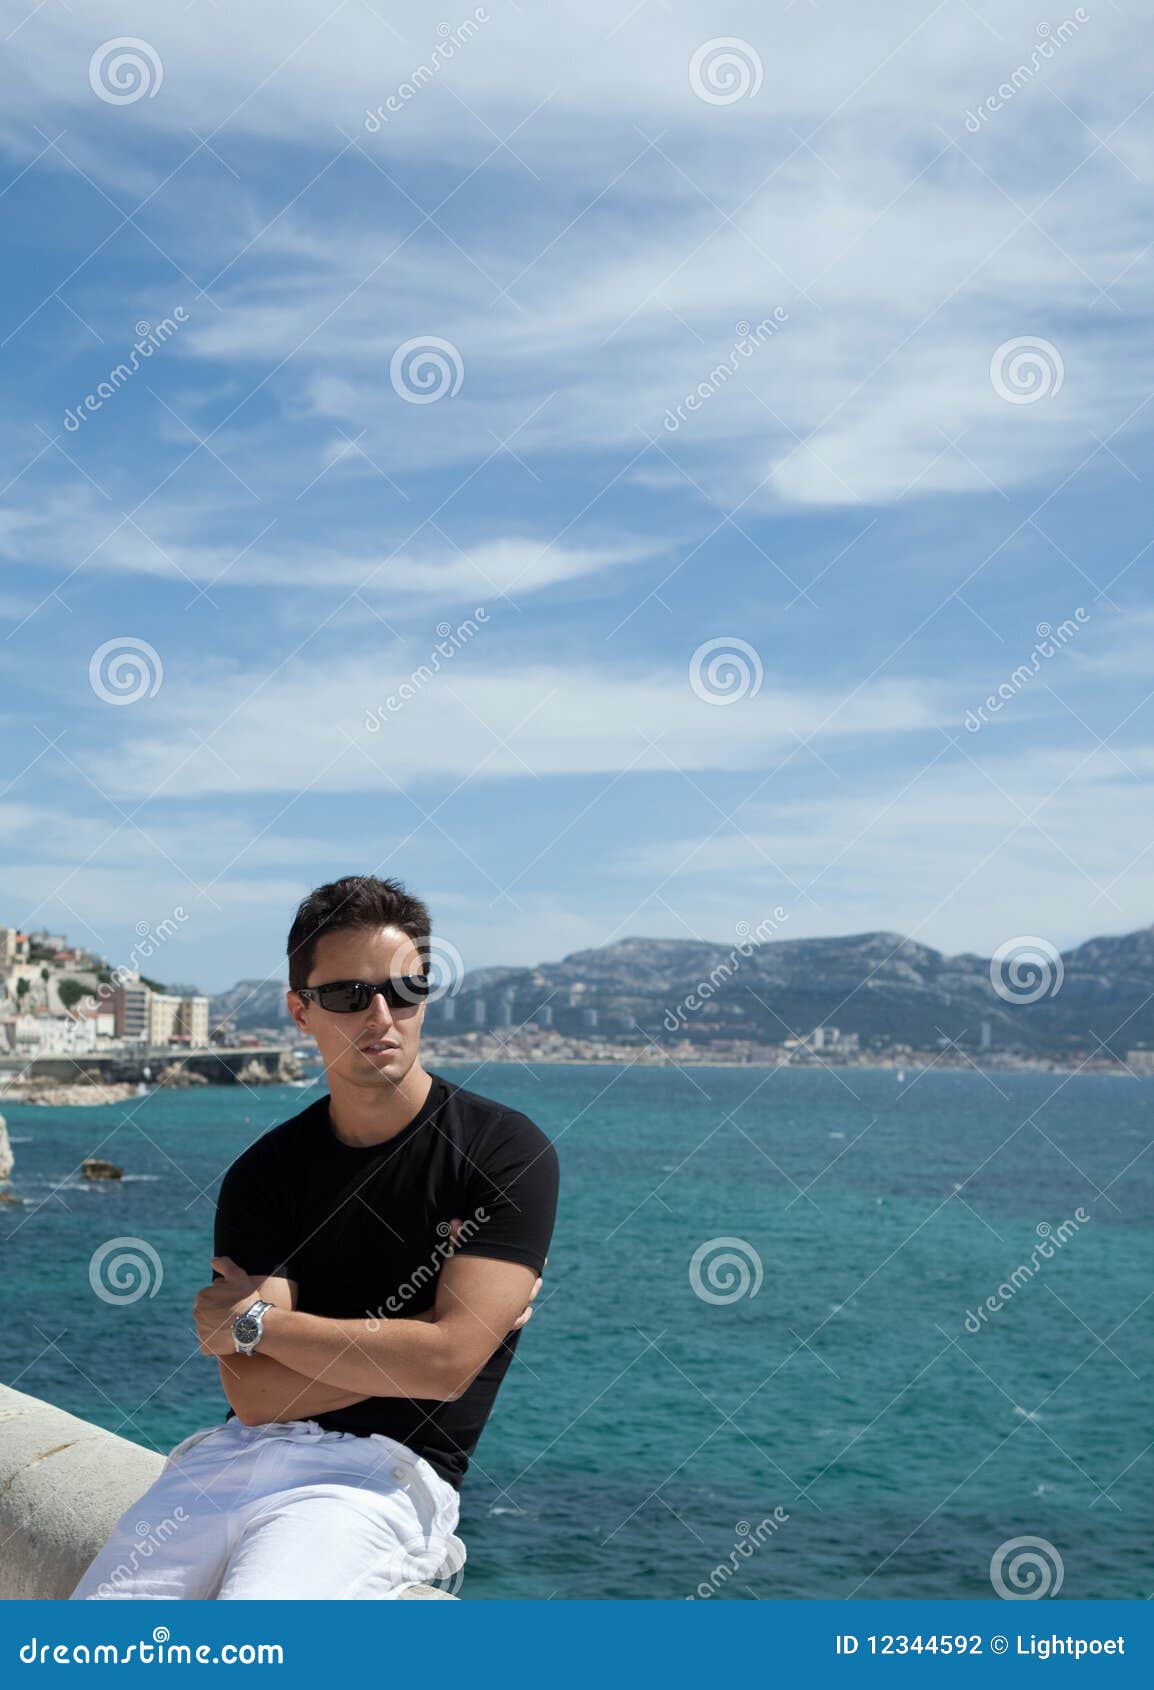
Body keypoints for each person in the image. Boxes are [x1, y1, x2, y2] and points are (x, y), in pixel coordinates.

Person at [71, 874, 559, 1600]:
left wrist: (260, 1323)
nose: (382, 1015)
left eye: (406, 989)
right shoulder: (266, 1173)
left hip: (378, 1480)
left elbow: (449, 1366)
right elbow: (257, 1397)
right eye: (347, 995)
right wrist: (418, 1338)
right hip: (231, 1460)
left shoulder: (502, 1153)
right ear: (300, 1010)